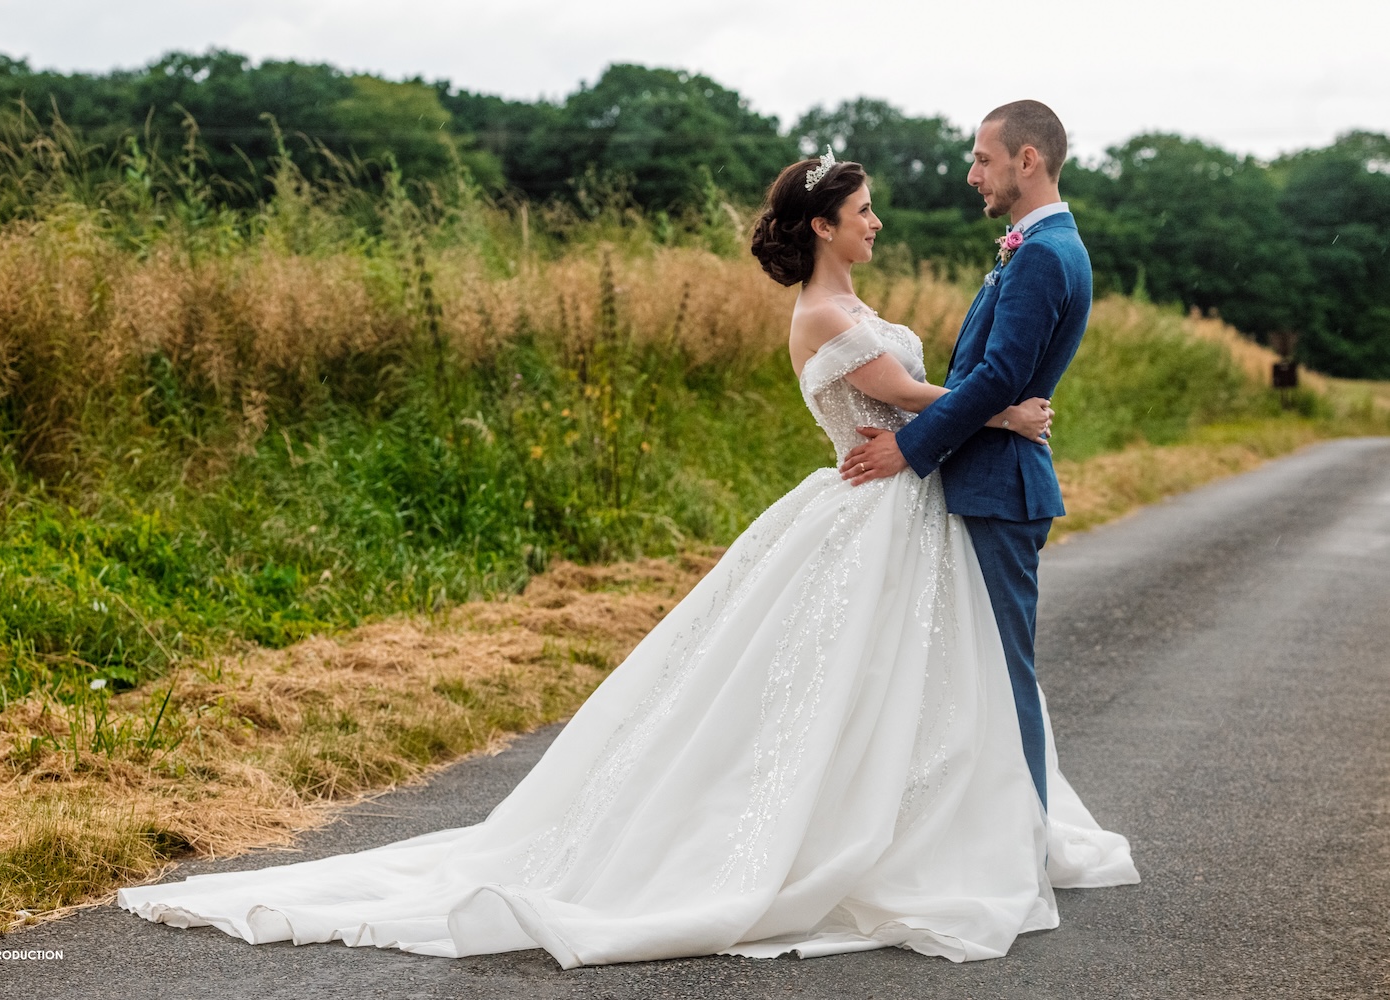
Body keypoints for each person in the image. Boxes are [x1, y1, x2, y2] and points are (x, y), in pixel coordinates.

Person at [117, 141, 1138, 970]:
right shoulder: (825, 315)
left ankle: (942, 819)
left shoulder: (859, 301)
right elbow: (916, 398)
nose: (877, 222)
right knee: (828, 687)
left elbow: (929, 388)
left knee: (903, 682)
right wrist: (1002, 408)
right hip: (872, 493)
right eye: (863, 211)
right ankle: (853, 833)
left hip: (900, 504)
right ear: (822, 225)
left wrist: (980, 407)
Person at [841, 100, 1091, 812]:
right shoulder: (1039, 245)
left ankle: (1025, 837)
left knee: (1003, 672)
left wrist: (908, 448)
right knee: (978, 672)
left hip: (999, 488)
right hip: (990, 479)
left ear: (1027, 160)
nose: (971, 173)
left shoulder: (1042, 253)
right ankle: (995, 830)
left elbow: (998, 377)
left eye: (983, 158)